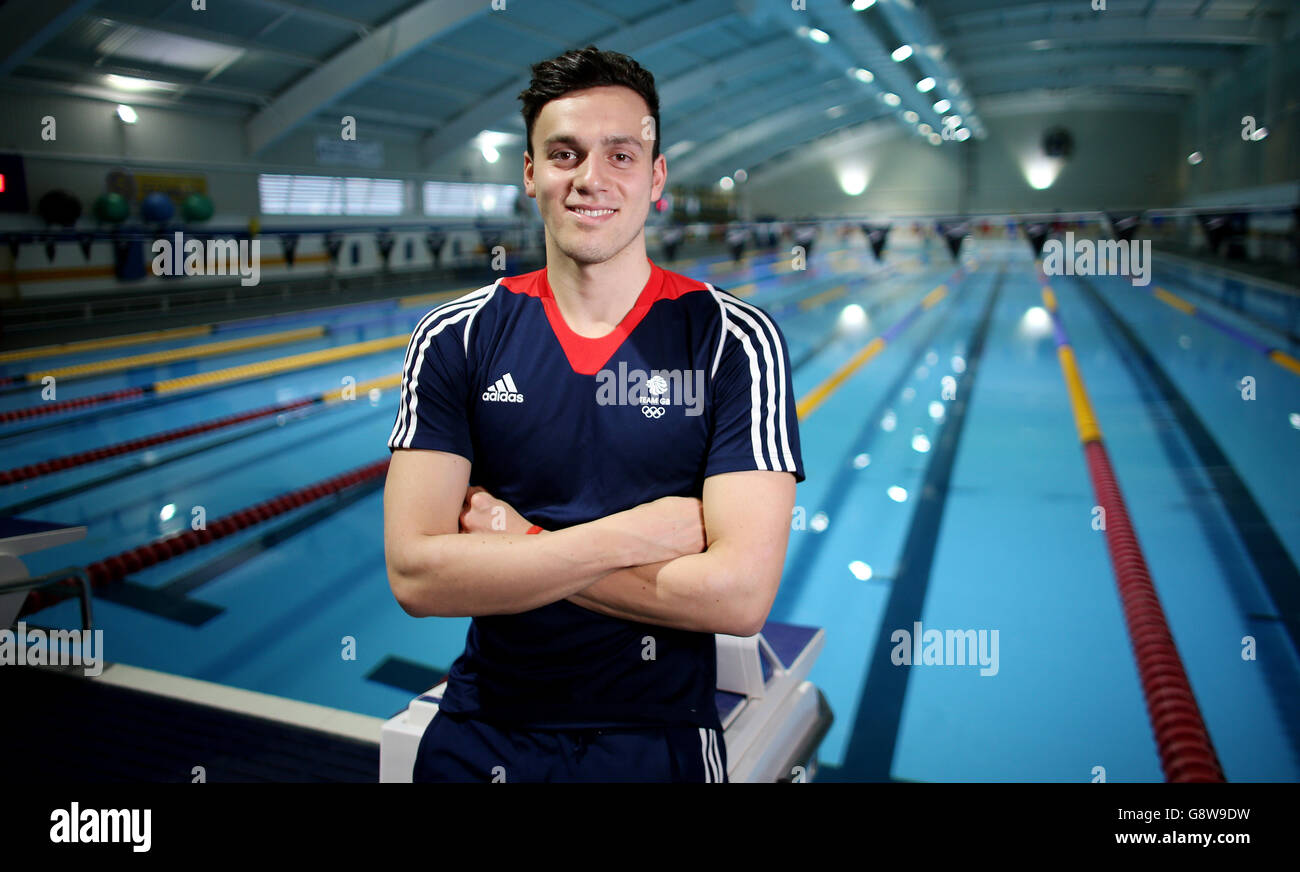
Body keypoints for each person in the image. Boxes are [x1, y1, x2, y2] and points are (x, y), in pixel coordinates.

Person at [383, 45, 803, 783]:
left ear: (656, 177)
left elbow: (738, 597)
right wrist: (630, 537)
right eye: (564, 154)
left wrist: (517, 540)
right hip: (484, 725)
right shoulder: (458, 337)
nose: (590, 179)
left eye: (620, 155)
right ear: (530, 173)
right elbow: (417, 578)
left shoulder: (735, 343)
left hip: (655, 736)